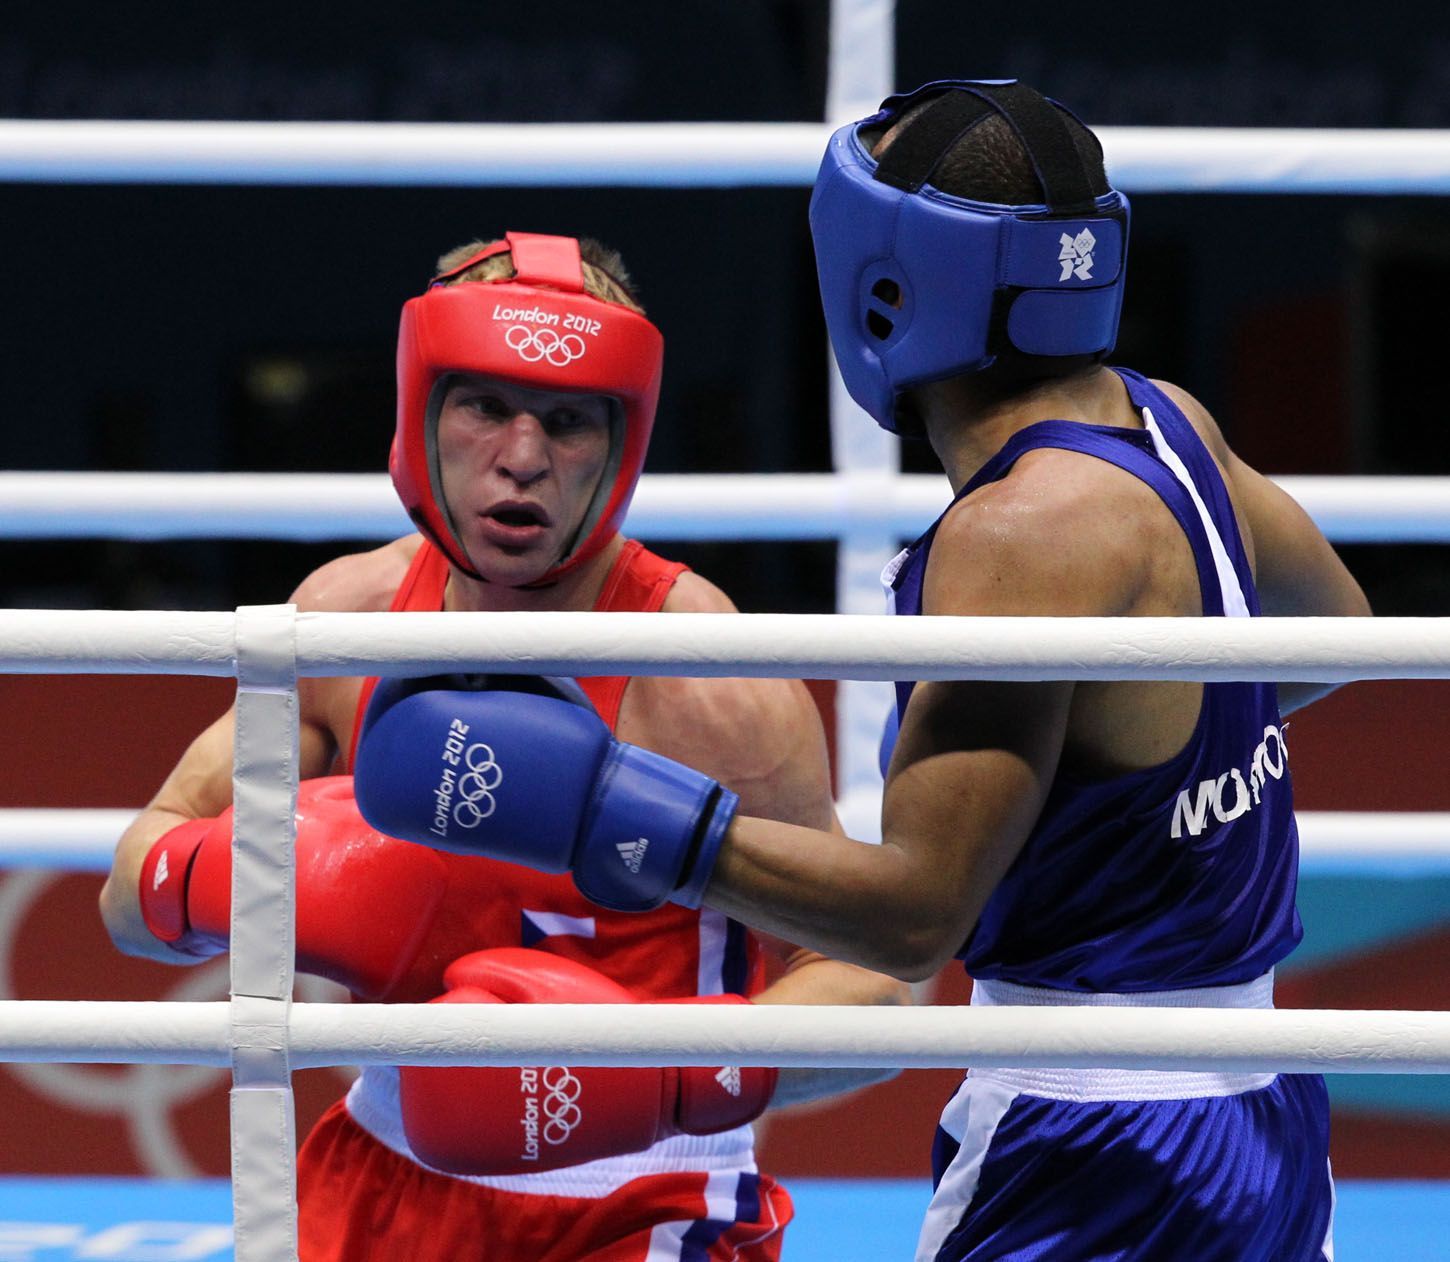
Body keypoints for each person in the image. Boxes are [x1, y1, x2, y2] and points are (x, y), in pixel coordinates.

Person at [347, 86, 1372, 1261]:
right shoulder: (1167, 421)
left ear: (886, 282)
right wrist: (1131, 772)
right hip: (1262, 1113)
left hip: (1092, 1135)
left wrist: (612, 809)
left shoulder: (1017, 534)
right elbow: (1321, 634)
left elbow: (911, 919)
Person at [99, 230, 909, 1262]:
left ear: (622, 441)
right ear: (422, 410)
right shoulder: (346, 624)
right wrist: (211, 879)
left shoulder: (704, 677)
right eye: (486, 406)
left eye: (567, 421)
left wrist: (663, 1073)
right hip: (381, 1175)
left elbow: (873, 975)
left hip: (643, 1199)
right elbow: (130, 888)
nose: (523, 456)